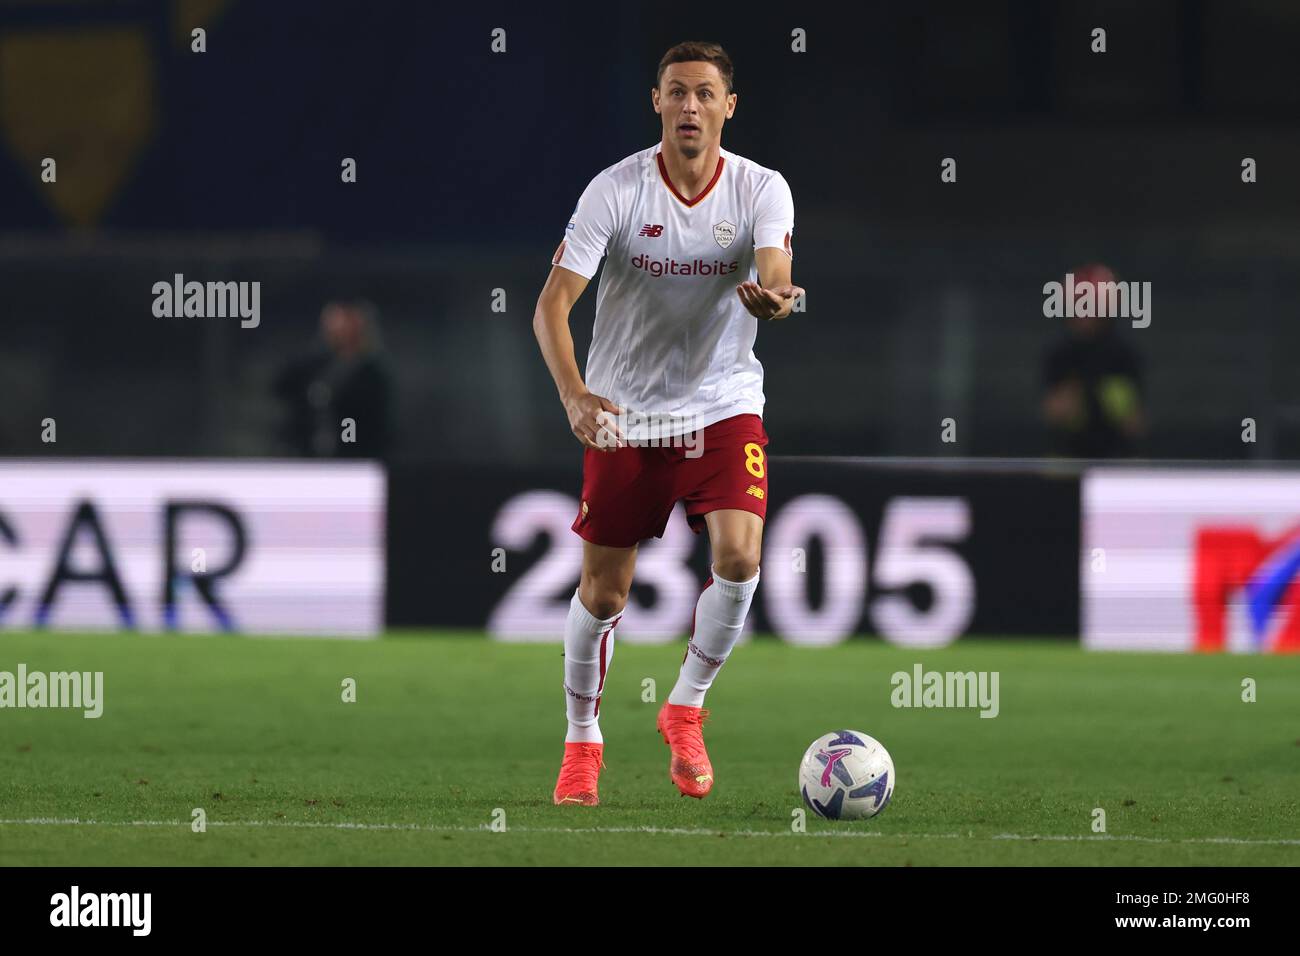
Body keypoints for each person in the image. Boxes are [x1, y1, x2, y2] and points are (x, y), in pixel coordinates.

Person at [532, 41, 804, 805]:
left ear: (728, 106)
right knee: (603, 595)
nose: (690, 106)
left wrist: (776, 299)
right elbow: (552, 306)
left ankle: (685, 705)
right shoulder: (615, 191)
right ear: (656, 102)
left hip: (723, 405)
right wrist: (576, 396)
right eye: (676, 93)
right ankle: (582, 740)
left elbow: (776, 272)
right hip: (626, 412)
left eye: (704, 94)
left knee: (742, 556)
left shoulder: (761, 188)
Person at [1042, 263, 1145, 458]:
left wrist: (1112, 401)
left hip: (1115, 458)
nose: (1084, 316)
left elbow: (1134, 422)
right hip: (1068, 459)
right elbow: (1053, 413)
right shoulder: (1060, 354)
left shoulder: (1123, 354)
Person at [273, 300, 393, 459]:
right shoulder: (312, 366)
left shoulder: (371, 375)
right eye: (335, 323)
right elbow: (281, 387)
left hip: (354, 454)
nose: (340, 330)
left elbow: (373, 420)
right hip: (307, 453)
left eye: (348, 324)